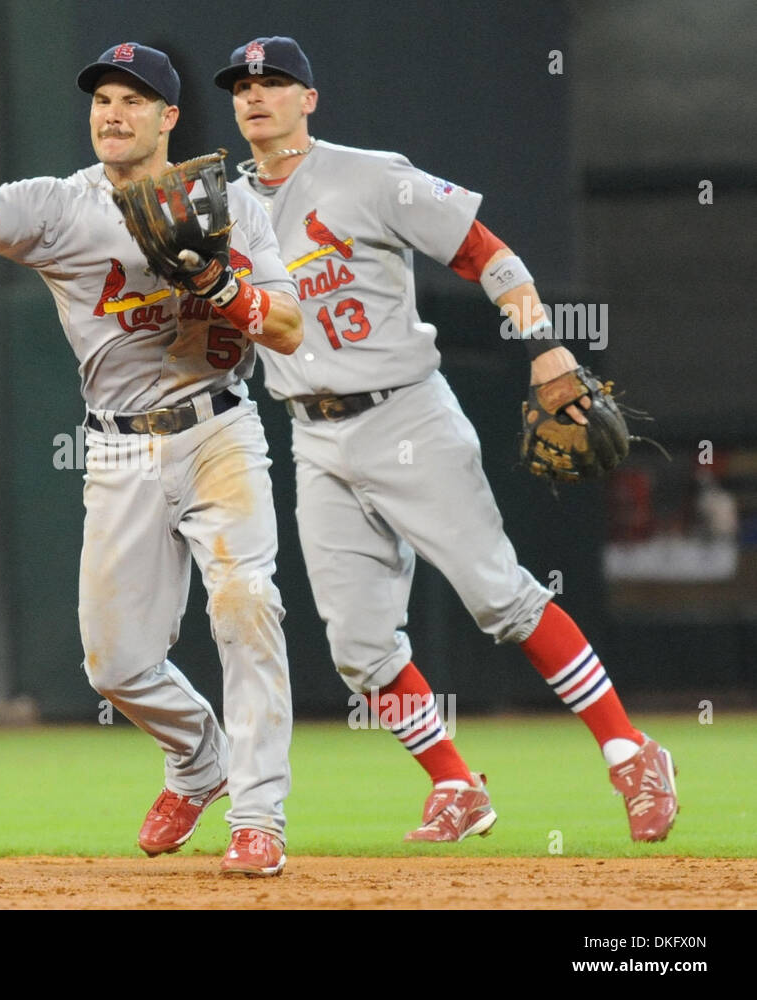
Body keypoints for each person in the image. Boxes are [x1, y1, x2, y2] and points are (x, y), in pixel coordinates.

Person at [211, 36, 679, 842]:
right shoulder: (223, 207)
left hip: (406, 414)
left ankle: (631, 752)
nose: (257, 96)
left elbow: (487, 252)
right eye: (244, 86)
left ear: (309, 99)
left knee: (500, 596)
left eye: (276, 82)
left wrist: (546, 345)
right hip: (313, 436)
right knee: (358, 646)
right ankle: (457, 786)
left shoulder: (368, 174)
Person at [0, 43, 304, 874]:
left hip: (218, 430)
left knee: (245, 604)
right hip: (119, 449)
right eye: (102, 99)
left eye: (133, 100)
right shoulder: (61, 205)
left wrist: (222, 286)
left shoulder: (227, 202)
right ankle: (200, 759)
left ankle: (259, 814)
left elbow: (289, 326)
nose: (112, 114)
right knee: (114, 663)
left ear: (168, 119)